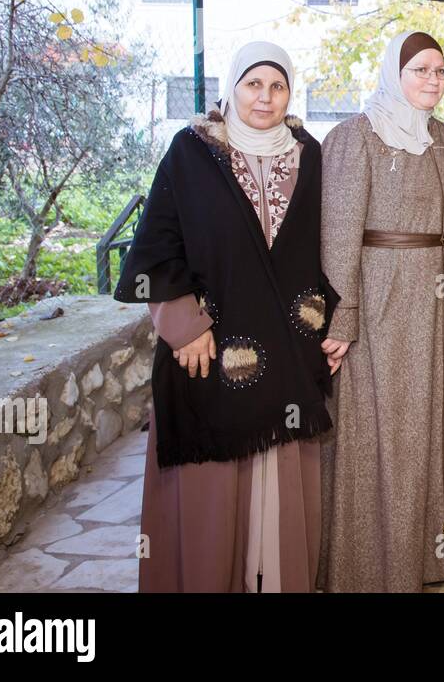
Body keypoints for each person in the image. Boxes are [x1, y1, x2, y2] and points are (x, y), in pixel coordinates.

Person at [117, 41, 333, 593]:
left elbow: (323, 246)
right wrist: (184, 326)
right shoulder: (191, 152)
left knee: (279, 483)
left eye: (277, 86)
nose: (265, 97)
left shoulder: (310, 154)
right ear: (231, 88)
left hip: (284, 348)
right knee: (212, 491)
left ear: (291, 92)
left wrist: (329, 319)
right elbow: (157, 247)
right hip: (210, 347)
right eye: (253, 84)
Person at [316, 30, 444, 592]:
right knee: (379, 431)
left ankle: (430, 556)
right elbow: (337, 235)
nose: (433, 80)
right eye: (420, 69)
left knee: (436, 422)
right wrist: (343, 316)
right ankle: (368, 566)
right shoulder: (354, 138)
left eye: (440, 71)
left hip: (442, 301)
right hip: (380, 303)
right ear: (394, 73)